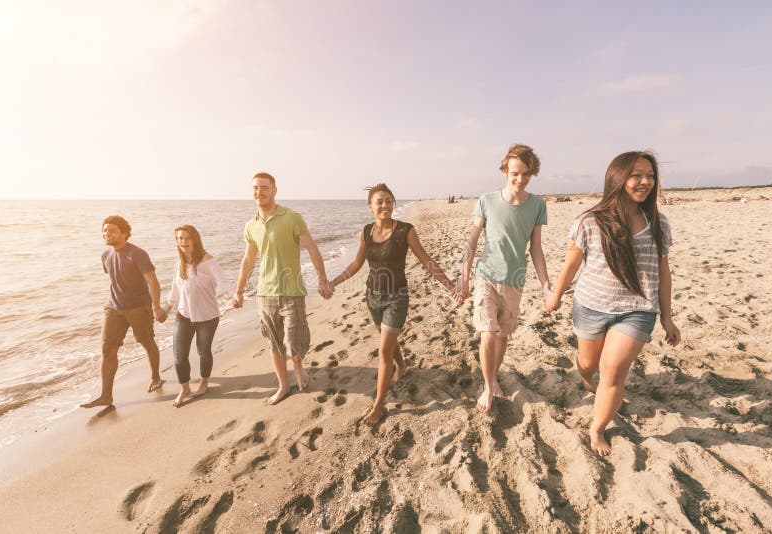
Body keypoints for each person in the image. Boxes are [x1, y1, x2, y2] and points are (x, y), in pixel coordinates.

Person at [545, 151, 682, 456]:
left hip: (637, 309)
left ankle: (597, 428)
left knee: (613, 369)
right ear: (618, 179)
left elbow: (663, 272)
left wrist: (667, 318)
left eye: (650, 175)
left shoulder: (658, 224)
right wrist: (555, 294)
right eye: (636, 175)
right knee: (588, 364)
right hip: (591, 304)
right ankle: (587, 379)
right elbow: (571, 265)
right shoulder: (590, 221)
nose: (645, 181)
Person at [330, 183, 456, 425]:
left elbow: (426, 260)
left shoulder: (406, 230)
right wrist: (334, 282)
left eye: (388, 200)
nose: (385, 205)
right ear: (371, 207)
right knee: (389, 340)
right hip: (372, 296)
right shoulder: (366, 232)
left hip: (397, 297)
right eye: (380, 202)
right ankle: (403, 366)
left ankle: (378, 405)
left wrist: (450, 286)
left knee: (384, 350)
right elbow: (357, 263)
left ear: (393, 204)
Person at [454, 144, 551, 413]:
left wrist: (545, 284)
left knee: (503, 337)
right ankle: (487, 386)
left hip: (515, 280)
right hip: (486, 276)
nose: (520, 180)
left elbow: (536, 249)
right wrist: (464, 276)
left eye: (526, 174)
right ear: (505, 170)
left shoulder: (537, 205)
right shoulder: (486, 200)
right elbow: (472, 241)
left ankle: (494, 375)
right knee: (488, 335)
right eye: (515, 174)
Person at [232, 172, 332, 405]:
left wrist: (322, 279)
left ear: (274, 189)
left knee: (293, 341)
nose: (259, 192)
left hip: (292, 291)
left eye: (264, 187)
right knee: (274, 342)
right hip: (264, 293)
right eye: (255, 188)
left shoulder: (292, 217)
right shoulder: (251, 225)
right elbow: (248, 260)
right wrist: (238, 290)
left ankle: (298, 368)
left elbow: (312, 249)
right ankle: (283, 386)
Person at [81, 216, 167, 408]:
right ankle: (106, 395)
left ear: (124, 233)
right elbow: (116, 279)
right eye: (104, 230)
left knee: (146, 341)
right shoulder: (105, 254)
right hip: (113, 308)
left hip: (139, 307)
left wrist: (156, 306)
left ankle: (155, 377)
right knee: (107, 349)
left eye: (111, 230)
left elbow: (152, 281)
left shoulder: (137, 254)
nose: (106, 233)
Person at [166, 225, 235, 407]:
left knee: (203, 351)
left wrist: (236, 295)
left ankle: (204, 382)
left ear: (195, 239)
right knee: (179, 356)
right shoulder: (178, 263)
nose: (184, 242)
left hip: (207, 317)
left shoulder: (208, 261)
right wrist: (165, 309)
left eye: (187, 238)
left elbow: (224, 282)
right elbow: (175, 290)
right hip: (184, 315)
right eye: (180, 238)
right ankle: (185, 388)